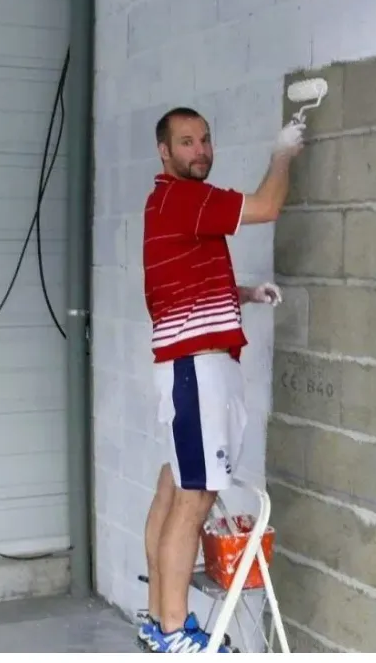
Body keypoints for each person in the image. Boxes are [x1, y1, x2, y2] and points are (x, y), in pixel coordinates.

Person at [135, 106, 305, 654]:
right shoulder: (185, 198)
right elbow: (268, 206)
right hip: (197, 374)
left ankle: (158, 619)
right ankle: (173, 632)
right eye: (186, 142)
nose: (200, 150)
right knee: (194, 498)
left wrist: (246, 295)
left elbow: (181, 290)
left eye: (205, 139)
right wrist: (283, 152)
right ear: (165, 152)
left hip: (187, 372)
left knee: (173, 488)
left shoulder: (168, 205)